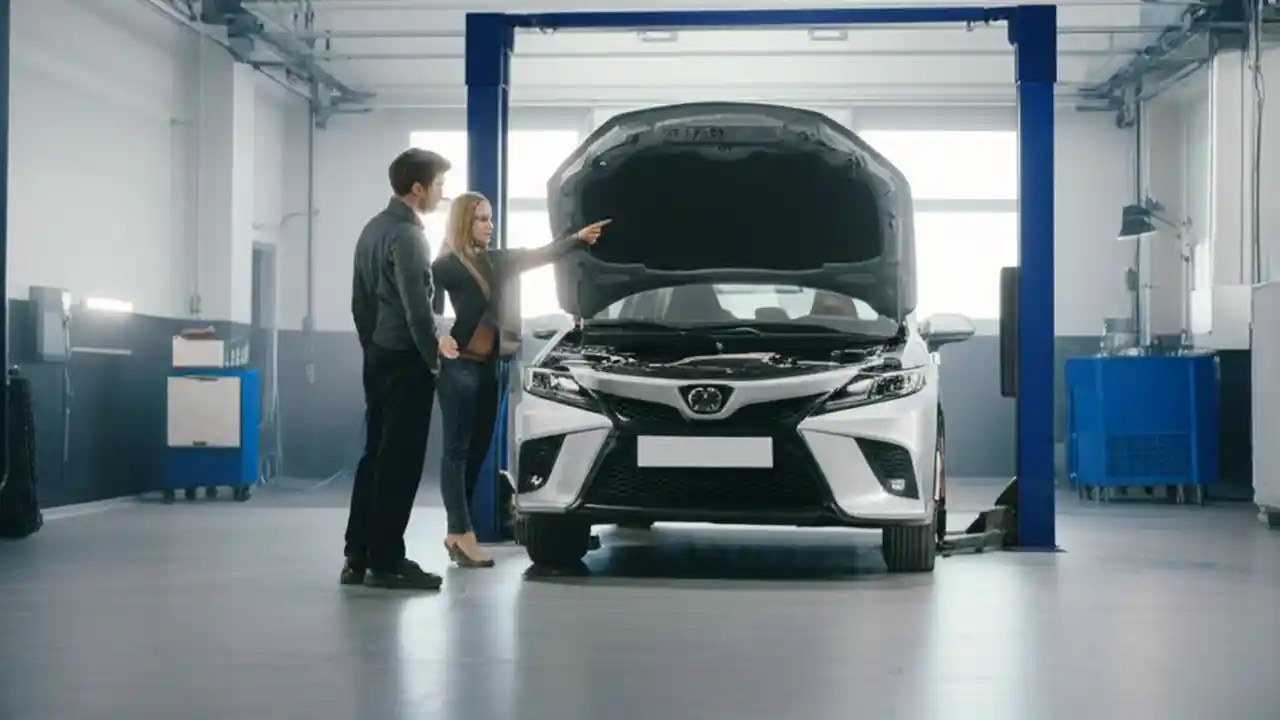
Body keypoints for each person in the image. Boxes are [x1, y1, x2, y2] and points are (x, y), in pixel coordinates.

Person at [431, 192, 610, 567]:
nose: (490, 225)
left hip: (490, 367)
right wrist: (439, 336)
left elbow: (540, 254)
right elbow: (427, 308)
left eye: (490, 218)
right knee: (456, 453)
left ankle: (458, 532)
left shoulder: (497, 260)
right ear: (464, 222)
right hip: (459, 367)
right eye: (482, 219)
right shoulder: (446, 265)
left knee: (477, 452)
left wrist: (577, 239)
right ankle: (461, 531)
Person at [343, 148, 461, 591]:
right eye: (439, 184)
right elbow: (418, 311)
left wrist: (371, 347)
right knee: (401, 460)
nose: (441, 192)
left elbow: (359, 302)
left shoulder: (372, 229)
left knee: (375, 454)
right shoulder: (410, 237)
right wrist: (432, 360)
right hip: (406, 359)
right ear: (418, 188)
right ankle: (388, 560)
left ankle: (357, 556)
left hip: (377, 354)